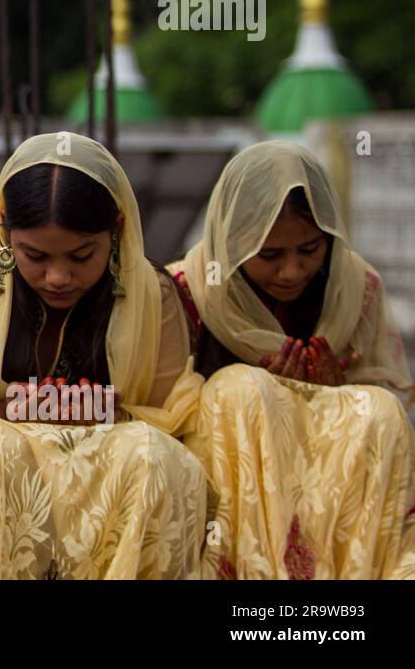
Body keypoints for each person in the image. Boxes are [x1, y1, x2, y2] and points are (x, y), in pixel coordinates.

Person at [0, 132, 206, 578]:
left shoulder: (151, 294)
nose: (58, 277)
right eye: (35, 255)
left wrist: (104, 418)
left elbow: (175, 429)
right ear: (5, 227)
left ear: (117, 230)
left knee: (152, 454)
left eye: (82, 256)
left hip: (108, 490)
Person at [169, 140, 415, 578]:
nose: (292, 272)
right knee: (242, 391)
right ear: (232, 241)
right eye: (269, 255)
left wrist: (331, 393)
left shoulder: (354, 287)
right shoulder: (186, 291)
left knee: (377, 408)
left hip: (332, 484)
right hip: (228, 484)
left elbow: (384, 402)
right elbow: (161, 405)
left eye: (309, 250)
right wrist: (271, 397)